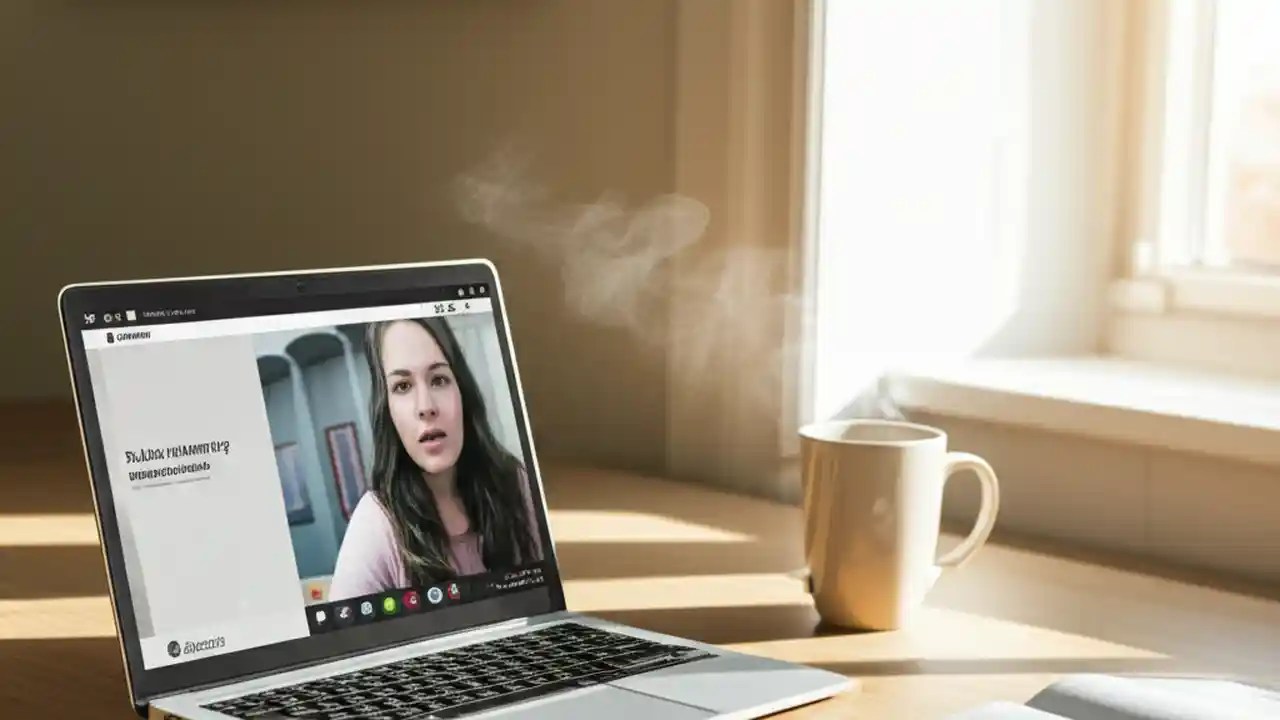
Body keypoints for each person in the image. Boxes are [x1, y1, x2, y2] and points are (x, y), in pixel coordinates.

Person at [327, 317, 542, 601]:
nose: (426, 407)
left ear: (462, 391)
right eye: (403, 386)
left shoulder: (515, 484)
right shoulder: (376, 524)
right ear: (386, 409)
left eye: (439, 380)